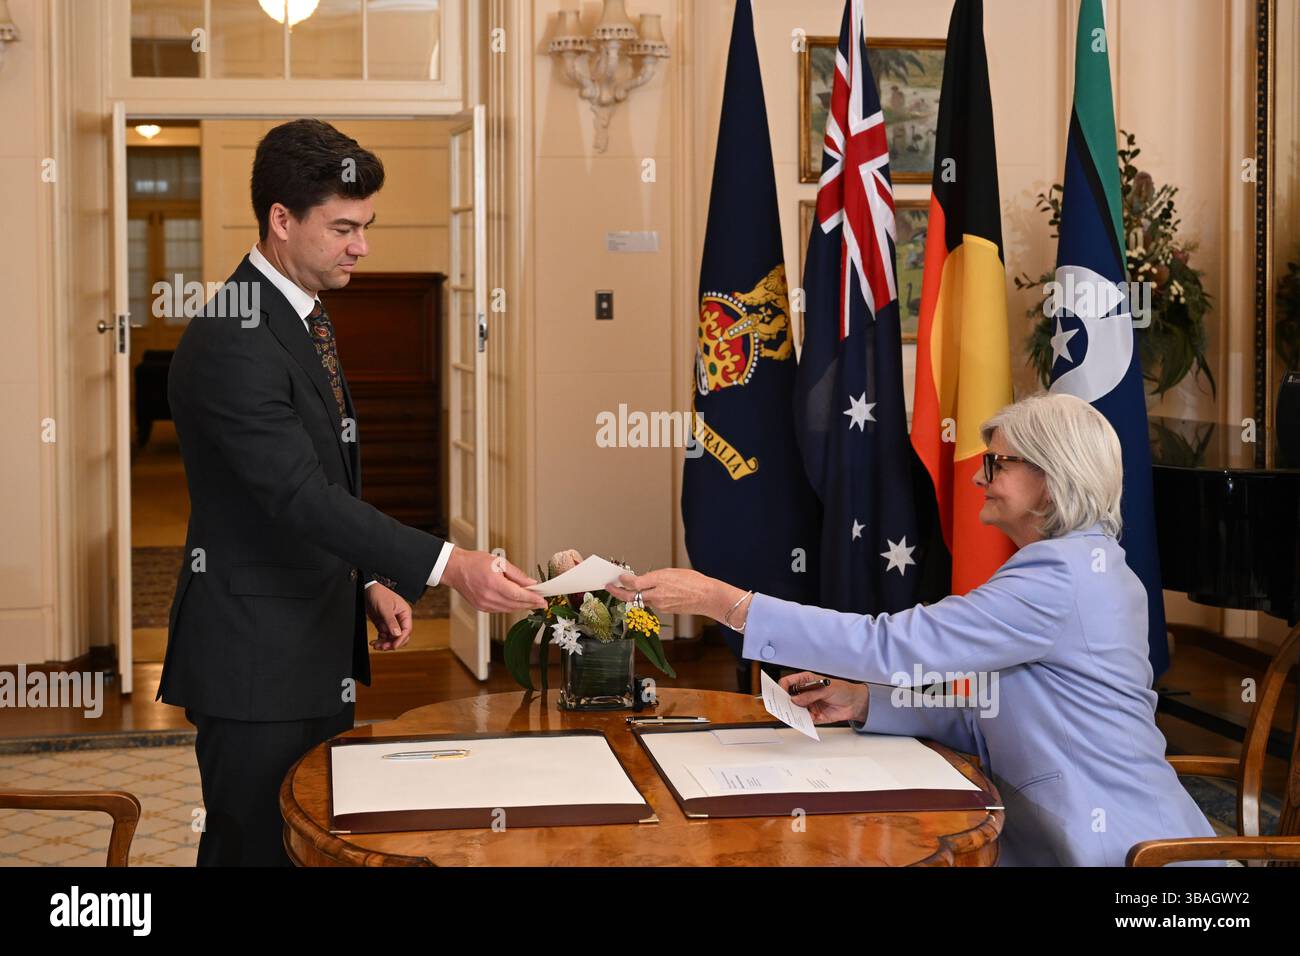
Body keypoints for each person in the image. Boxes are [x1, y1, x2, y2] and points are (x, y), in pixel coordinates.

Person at [159, 119, 546, 866]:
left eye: (365, 226)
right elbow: (300, 495)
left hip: (305, 638)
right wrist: (446, 564)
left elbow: (321, 477)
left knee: (307, 840)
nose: (361, 245)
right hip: (253, 659)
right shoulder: (233, 336)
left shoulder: (299, 311)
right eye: (343, 227)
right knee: (254, 849)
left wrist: (367, 578)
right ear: (280, 219)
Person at [609, 392, 1219, 866]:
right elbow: (999, 708)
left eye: (997, 463)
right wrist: (868, 701)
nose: (979, 478)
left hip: (1132, 864)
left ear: (1052, 478)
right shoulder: (1084, 566)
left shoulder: (1060, 580)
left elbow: (891, 644)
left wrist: (730, 603)